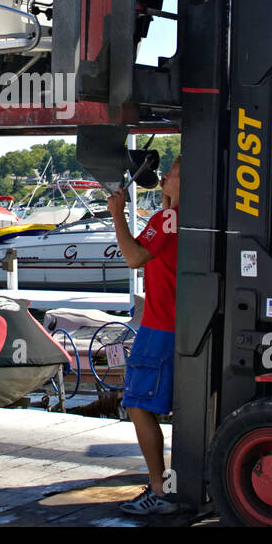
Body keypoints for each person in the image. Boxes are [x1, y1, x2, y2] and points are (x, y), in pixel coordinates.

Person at [108, 155, 181, 516]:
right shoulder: (189, 218)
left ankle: (160, 489)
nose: (164, 175)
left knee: (138, 404)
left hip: (159, 327)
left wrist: (117, 213)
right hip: (179, 327)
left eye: (173, 173)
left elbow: (135, 256)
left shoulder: (166, 220)